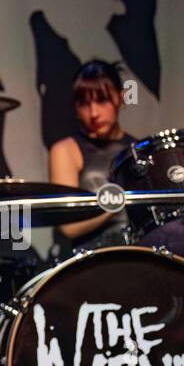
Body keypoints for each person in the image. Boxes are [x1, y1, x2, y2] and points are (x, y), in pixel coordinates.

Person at [47, 60, 136, 252]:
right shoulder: (66, 150)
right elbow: (69, 227)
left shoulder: (139, 149)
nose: (94, 113)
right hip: (92, 260)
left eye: (102, 100)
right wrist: (118, 200)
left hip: (140, 254)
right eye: (84, 104)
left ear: (120, 98)